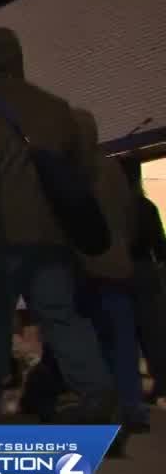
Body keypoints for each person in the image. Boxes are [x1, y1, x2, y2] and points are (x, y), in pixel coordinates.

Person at [0, 27, 116, 424]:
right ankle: (98, 395)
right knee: (62, 318)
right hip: (51, 237)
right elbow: (82, 174)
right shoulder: (57, 108)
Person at [72, 109, 148, 431]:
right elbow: (129, 218)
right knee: (123, 341)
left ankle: (106, 408)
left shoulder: (77, 171)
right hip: (119, 266)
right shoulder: (114, 169)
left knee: (96, 342)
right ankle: (132, 408)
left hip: (91, 267)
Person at [123, 159, 166, 410]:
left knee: (125, 335)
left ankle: (130, 392)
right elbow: (160, 249)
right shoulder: (145, 206)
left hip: (118, 274)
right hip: (145, 274)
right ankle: (162, 384)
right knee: (153, 334)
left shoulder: (114, 208)